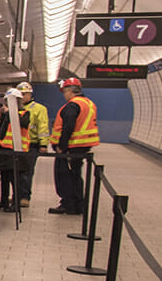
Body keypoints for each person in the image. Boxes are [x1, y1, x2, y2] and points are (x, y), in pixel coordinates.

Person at [50, 75, 100, 215]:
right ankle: (78, 204)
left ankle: (68, 204)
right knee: (76, 176)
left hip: (71, 147)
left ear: (70, 91)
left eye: (65, 92)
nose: (64, 95)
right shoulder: (89, 103)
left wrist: (62, 146)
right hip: (83, 147)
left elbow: (69, 126)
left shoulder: (73, 105)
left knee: (65, 176)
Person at [12, 81, 49, 208]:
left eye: (25, 94)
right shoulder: (14, 108)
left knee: (27, 172)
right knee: (15, 171)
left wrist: (43, 145)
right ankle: (16, 195)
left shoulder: (39, 109)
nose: (22, 96)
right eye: (20, 94)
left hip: (32, 145)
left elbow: (43, 127)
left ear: (30, 94)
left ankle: (24, 196)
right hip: (17, 144)